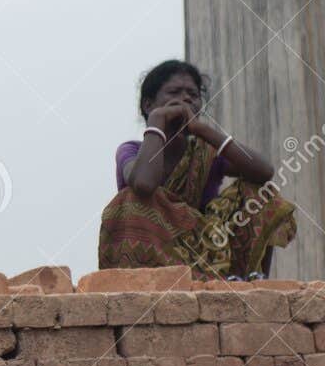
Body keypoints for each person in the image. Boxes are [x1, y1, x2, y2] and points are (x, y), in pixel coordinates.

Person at [98, 60, 295, 279]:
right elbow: (144, 184)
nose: (185, 99)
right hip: (160, 255)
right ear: (148, 104)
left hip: (208, 250)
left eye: (192, 94)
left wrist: (201, 130)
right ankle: (144, 283)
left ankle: (251, 281)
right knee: (129, 200)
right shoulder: (131, 151)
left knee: (260, 192)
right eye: (174, 92)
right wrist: (157, 122)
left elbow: (264, 171)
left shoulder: (206, 152)